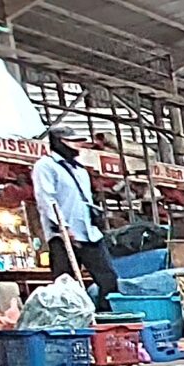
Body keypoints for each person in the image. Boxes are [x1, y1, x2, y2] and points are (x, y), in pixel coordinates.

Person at [31, 127, 118, 306]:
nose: (78, 146)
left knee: (108, 277)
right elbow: (46, 199)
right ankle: (71, 318)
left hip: (89, 232)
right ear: (59, 142)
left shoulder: (80, 170)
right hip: (63, 235)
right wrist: (62, 226)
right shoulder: (45, 166)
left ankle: (106, 315)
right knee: (65, 284)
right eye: (73, 142)